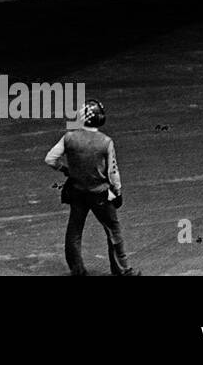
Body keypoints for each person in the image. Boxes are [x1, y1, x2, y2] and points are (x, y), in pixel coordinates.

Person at [44, 99, 140, 276]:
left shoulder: (69, 137)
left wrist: (65, 170)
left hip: (77, 191)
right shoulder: (105, 142)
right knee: (113, 230)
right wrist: (117, 191)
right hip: (100, 193)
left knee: (74, 230)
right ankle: (122, 270)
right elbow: (113, 171)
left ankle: (77, 269)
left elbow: (50, 159)